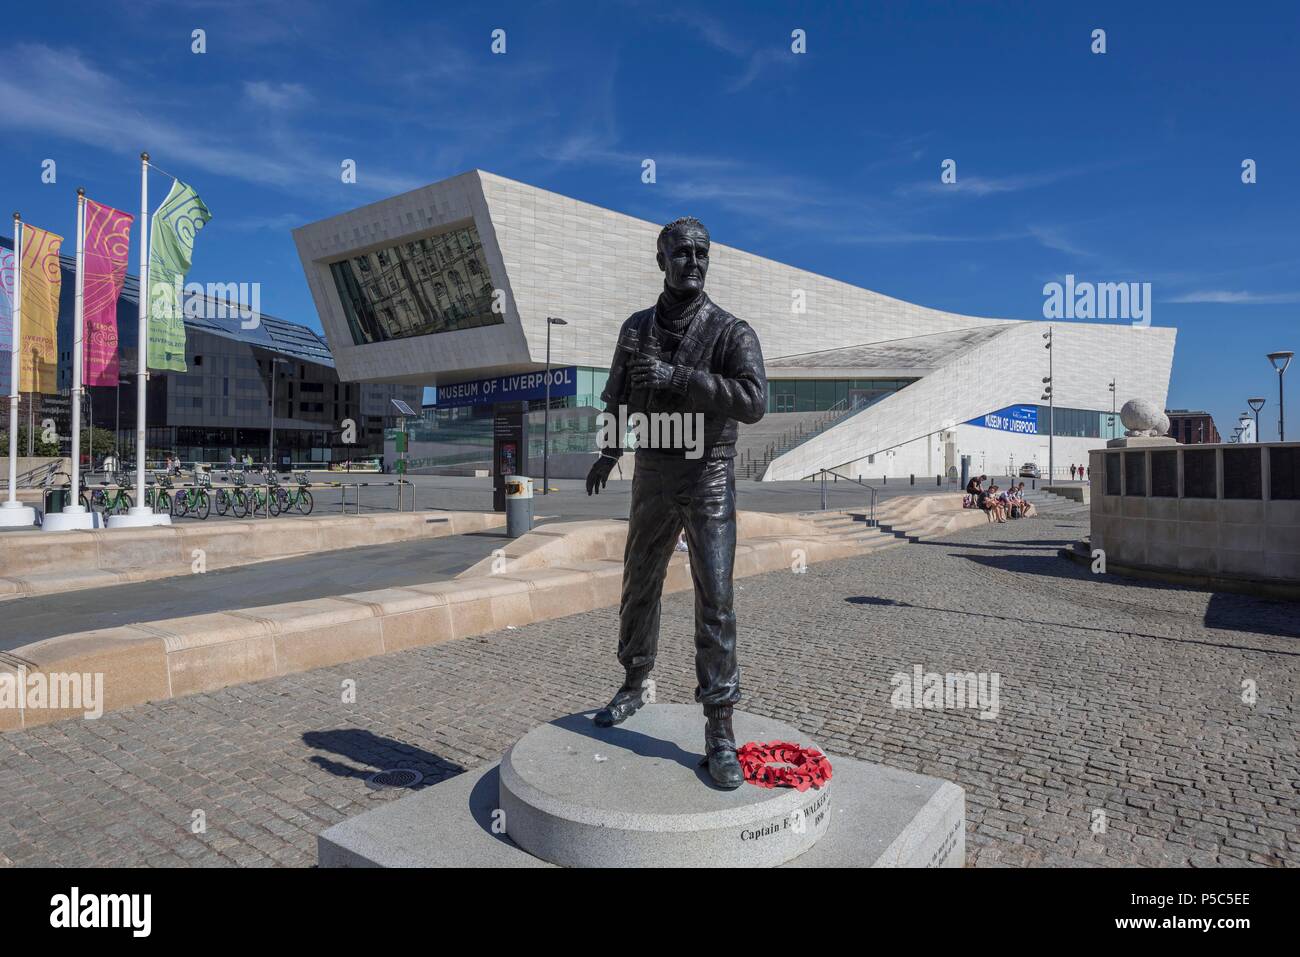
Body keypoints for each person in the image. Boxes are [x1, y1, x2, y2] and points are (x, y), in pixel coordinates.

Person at [585, 215, 767, 790]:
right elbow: (615, 398)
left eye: (702, 253)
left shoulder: (731, 332)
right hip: (653, 472)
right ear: (661, 260)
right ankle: (634, 681)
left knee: (715, 596)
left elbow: (753, 400)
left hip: (708, 474)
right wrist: (608, 453)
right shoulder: (635, 328)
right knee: (639, 582)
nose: (693, 261)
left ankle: (719, 728)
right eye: (682, 253)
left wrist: (680, 375)